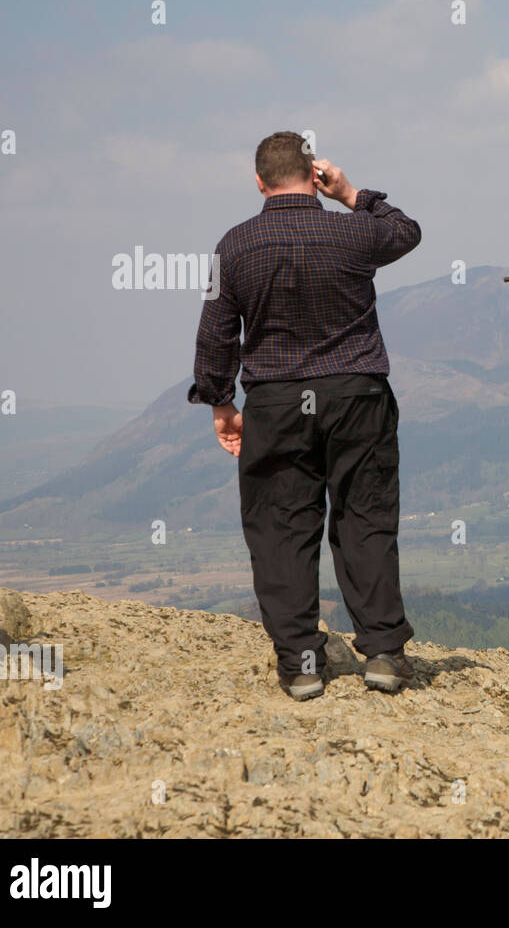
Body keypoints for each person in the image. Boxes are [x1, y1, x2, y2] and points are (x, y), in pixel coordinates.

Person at [187, 131, 420, 701]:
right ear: (314, 173)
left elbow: (216, 332)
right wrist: (352, 193)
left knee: (281, 528)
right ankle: (385, 652)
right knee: (365, 516)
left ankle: (300, 664)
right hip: (356, 391)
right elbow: (406, 231)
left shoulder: (233, 246)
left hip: (275, 401)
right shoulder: (352, 231)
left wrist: (222, 402)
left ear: (260, 181)